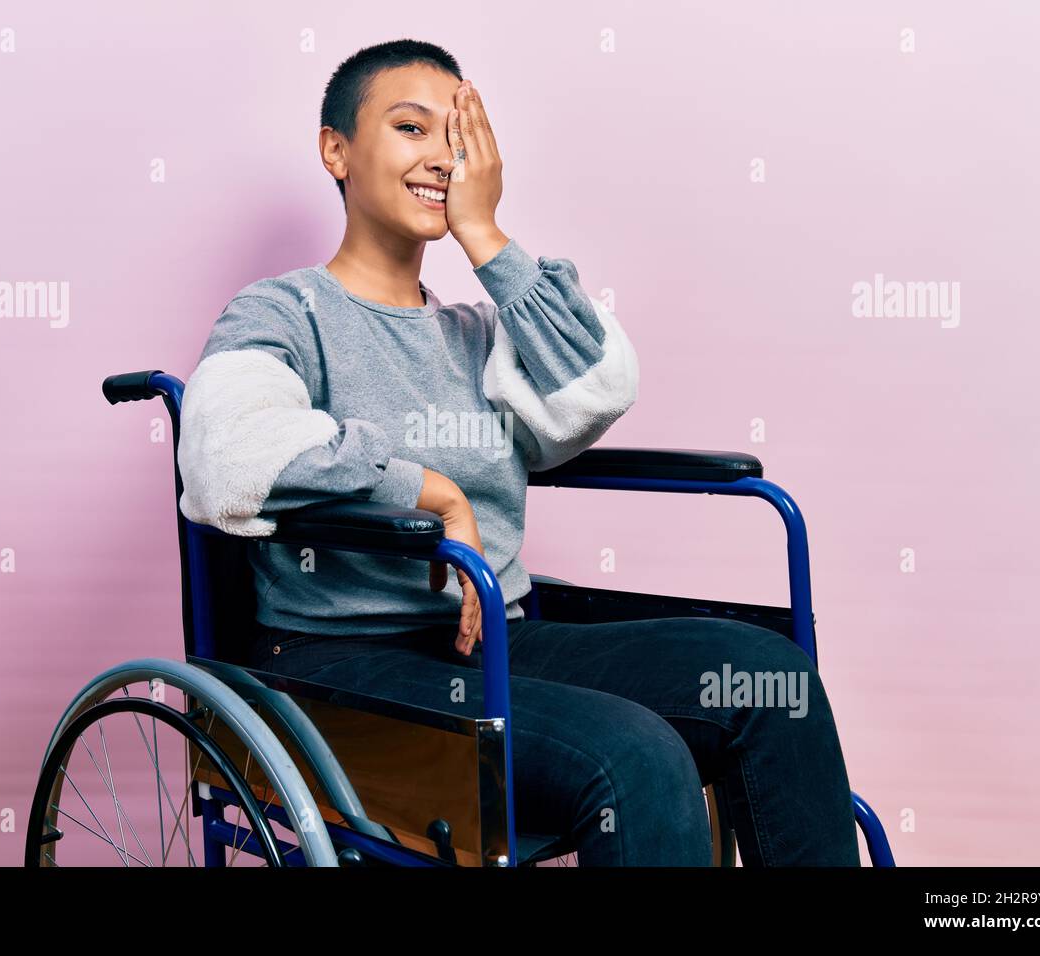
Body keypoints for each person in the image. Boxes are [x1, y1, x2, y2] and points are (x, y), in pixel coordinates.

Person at [176, 38, 861, 866]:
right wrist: (429, 489)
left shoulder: (482, 334)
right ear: (337, 151)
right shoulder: (285, 311)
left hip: (497, 635)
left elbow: (600, 387)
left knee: (770, 683)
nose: (440, 158)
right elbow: (229, 457)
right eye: (410, 128)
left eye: (456, 140)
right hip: (344, 666)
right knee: (635, 753)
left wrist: (486, 238)